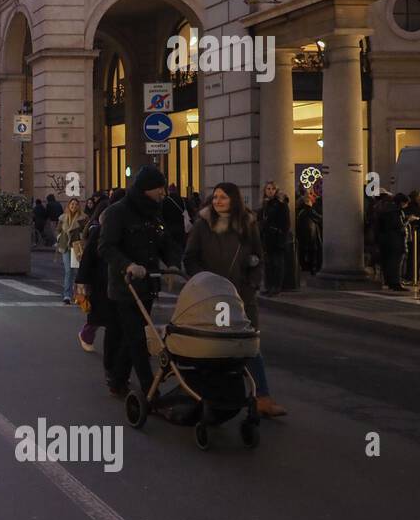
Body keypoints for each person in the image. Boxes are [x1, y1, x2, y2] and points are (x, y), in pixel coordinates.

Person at [184, 182, 283, 417]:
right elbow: (190, 257)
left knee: (250, 344)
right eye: (215, 196)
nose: (217, 201)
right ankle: (213, 394)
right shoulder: (202, 225)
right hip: (212, 297)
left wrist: (252, 282)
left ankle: (262, 397)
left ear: (234, 201)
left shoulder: (247, 225)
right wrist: (203, 280)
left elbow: (258, 256)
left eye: (224, 198)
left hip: (242, 295)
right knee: (215, 346)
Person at [100, 166, 180, 400]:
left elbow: (164, 242)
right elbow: (106, 247)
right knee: (137, 339)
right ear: (147, 188)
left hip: (148, 286)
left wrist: (172, 263)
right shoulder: (118, 212)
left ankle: (117, 380)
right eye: (159, 188)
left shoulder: (154, 213)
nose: (163, 193)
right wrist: (128, 266)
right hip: (125, 287)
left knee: (132, 336)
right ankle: (149, 390)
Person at [75, 192, 121, 380]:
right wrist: (81, 281)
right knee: (99, 314)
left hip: (115, 279)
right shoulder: (100, 227)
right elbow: (87, 258)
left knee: (113, 319)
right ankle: (87, 335)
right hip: (100, 279)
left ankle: (116, 363)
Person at [258, 180, 291, 295]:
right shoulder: (264, 205)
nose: (270, 191)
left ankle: (276, 286)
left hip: (277, 238)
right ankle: (269, 285)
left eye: (272, 189)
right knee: (268, 264)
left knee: (277, 263)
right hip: (266, 238)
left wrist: (281, 235)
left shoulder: (281, 204)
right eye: (268, 189)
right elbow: (261, 221)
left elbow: (286, 223)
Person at [375, 192, 410, 291]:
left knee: (388, 261)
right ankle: (395, 283)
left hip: (385, 239)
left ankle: (389, 281)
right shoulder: (396, 211)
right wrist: (408, 221)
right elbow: (398, 226)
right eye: (406, 203)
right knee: (396, 262)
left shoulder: (384, 209)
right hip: (395, 240)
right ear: (402, 202)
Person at [55, 196, 86, 303]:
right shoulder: (62, 218)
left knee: (78, 272)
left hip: (77, 248)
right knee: (68, 271)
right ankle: (67, 295)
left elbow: (86, 232)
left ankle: (78, 295)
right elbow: (58, 230)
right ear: (68, 205)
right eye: (72, 204)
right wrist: (59, 238)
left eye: (76, 204)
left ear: (78, 206)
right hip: (65, 247)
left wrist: (81, 238)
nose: (74, 206)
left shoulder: (83, 218)